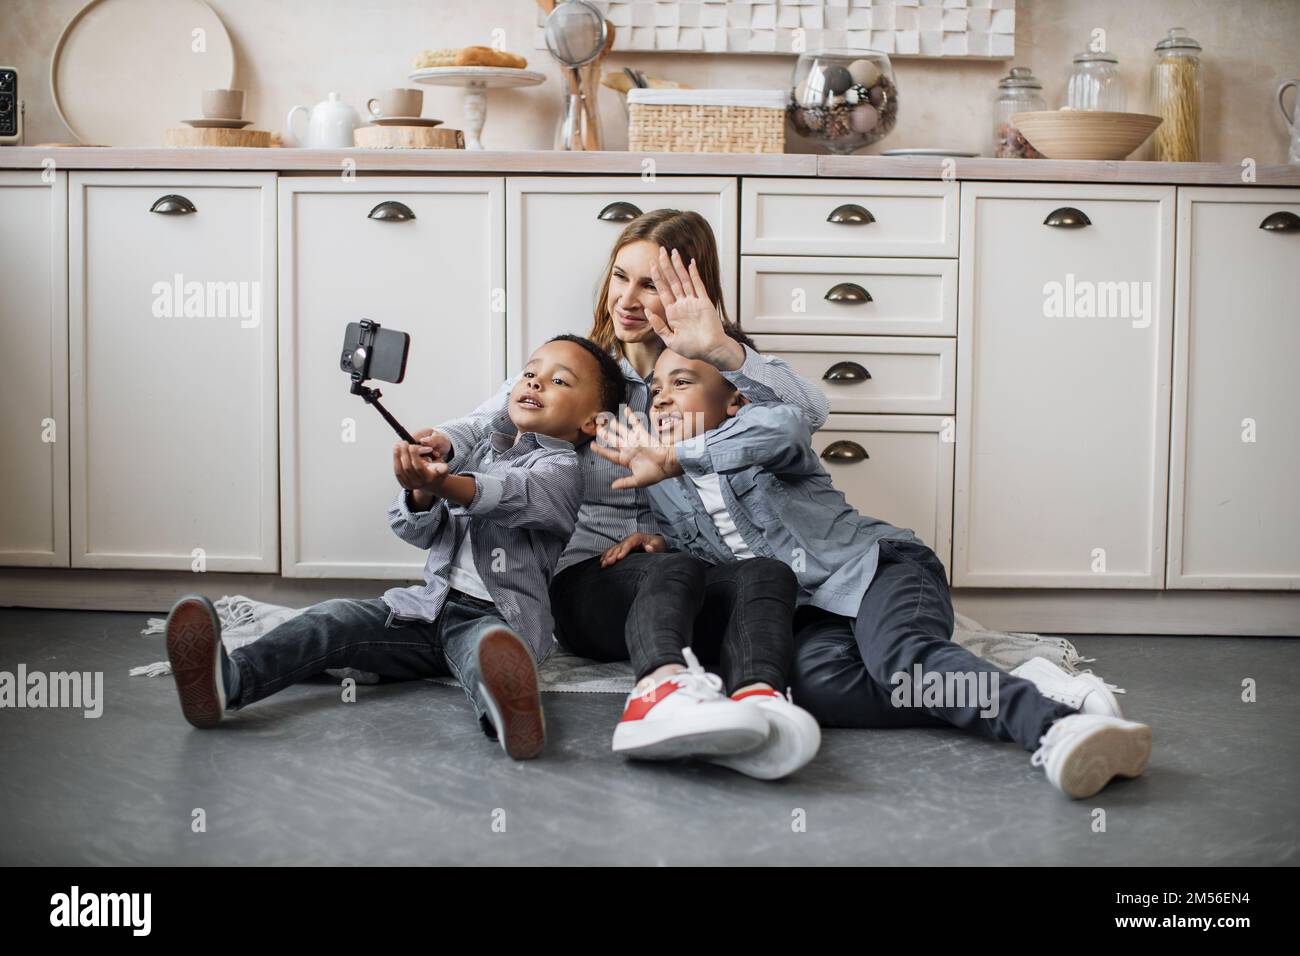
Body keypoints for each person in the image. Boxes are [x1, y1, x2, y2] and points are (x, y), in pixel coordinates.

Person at [594, 335, 1154, 799]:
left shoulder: (766, 443)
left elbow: (788, 425)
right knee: (818, 687)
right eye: (657, 390)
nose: (661, 400)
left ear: (734, 401)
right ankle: (1028, 687)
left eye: (682, 383)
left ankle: (1056, 727)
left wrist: (679, 455)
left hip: (880, 571)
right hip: (813, 616)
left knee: (901, 659)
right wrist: (660, 543)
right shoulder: (663, 491)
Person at [407, 210, 831, 760]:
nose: (627, 299)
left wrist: (722, 349)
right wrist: (441, 441)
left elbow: (807, 415)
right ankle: (658, 693)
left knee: (767, 579)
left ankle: (763, 707)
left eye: (650, 284)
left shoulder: (715, 372)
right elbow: (487, 420)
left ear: (691, 290)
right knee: (677, 573)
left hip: (689, 572)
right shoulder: (578, 372)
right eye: (619, 277)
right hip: (589, 580)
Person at [163, 335, 625, 761]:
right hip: (426, 610)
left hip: (496, 618)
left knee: (487, 654)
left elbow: (509, 493)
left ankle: (510, 716)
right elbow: (415, 530)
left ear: (592, 421)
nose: (536, 381)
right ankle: (229, 680)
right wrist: (421, 493)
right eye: (530, 372)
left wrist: (446, 484)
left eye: (559, 380)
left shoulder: (563, 467)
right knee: (335, 618)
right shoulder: (481, 447)